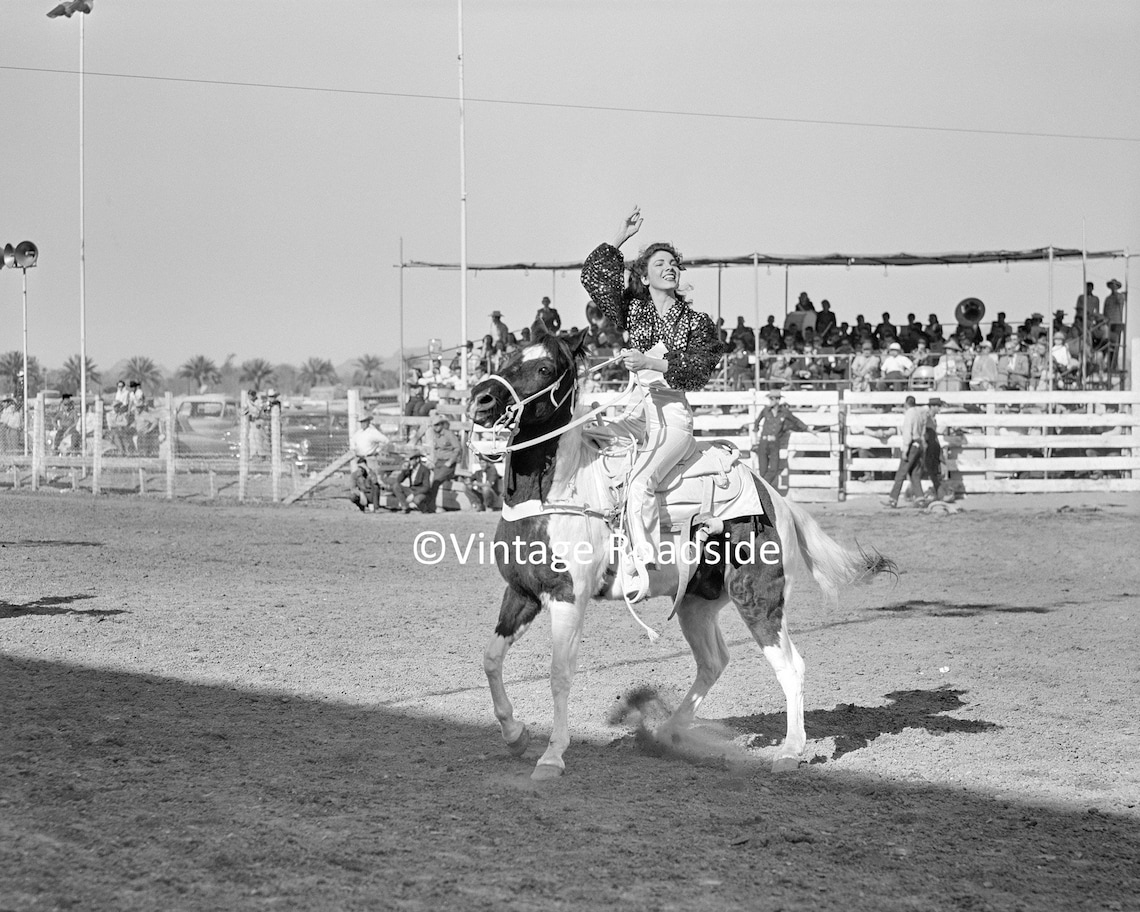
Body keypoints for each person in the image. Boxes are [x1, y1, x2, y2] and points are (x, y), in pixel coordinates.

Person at [580, 205, 721, 602]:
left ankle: (644, 564)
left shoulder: (696, 321)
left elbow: (699, 369)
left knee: (641, 482)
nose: (670, 267)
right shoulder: (634, 309)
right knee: (584, 438)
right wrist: (619, 236)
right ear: (644, 275)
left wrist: (650, 362)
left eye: (674, 263)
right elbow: (594, 278)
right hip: (636, 411)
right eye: (661, 262)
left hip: (671, 416)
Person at [751, 390, 809, 490]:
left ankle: (760, 487)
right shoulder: (765, 410)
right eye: (770, 399)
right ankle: (763, 490)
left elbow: (795, 421)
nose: (770, 401)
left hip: (774, 443)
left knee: (774, 469)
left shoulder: (784, 412)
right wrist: (756, 438)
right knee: (763, 469)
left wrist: (808, 429)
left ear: (777, 400)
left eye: (772, 399)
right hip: (763, 442)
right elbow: (756, 423)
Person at [883, 396, 927, 509]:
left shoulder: (909, 414)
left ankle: (893, 499)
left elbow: (907, 433)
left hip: (912, 445)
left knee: (901, 472)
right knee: (914, 473)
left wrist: (905, 449)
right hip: (919, 444)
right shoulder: (920, 413)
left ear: (906, 404)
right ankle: (920, 498)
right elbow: (923, 429)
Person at [412, 412, 462, 513]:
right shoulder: (436, 436)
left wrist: (450, 461)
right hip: (438, 463)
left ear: (441, 424)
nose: (435, 428)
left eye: (437, 425)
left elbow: (458, 449)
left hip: (447, 464)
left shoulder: (449, 434)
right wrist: (432, 462)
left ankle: (431, 507)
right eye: (434, 426)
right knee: (431, 484)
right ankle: (428, 505)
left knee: (435, 483)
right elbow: (436, 451)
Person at [1103, 279, 1125, 371]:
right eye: (1112, 286)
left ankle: (1114, 365)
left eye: (1115, 286)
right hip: (1109, 324)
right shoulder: (1108, 299)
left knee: (1116, 345)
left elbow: (1120, 302)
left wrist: (1115, 292)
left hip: (1117, 323)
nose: (1113, 287)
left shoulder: (1120, 296)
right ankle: (1109, 364)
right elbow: (1104, 311)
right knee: (1108, 344)